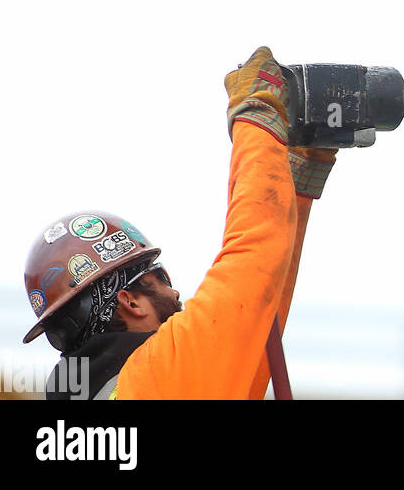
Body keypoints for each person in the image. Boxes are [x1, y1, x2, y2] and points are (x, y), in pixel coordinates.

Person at [21, 47, 336, 400]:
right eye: (161, 277)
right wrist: (256, 116)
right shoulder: (157, 370)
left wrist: (296, 182)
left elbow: (254, 329)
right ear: (130, 301)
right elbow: (254, 261)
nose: (175, 292)